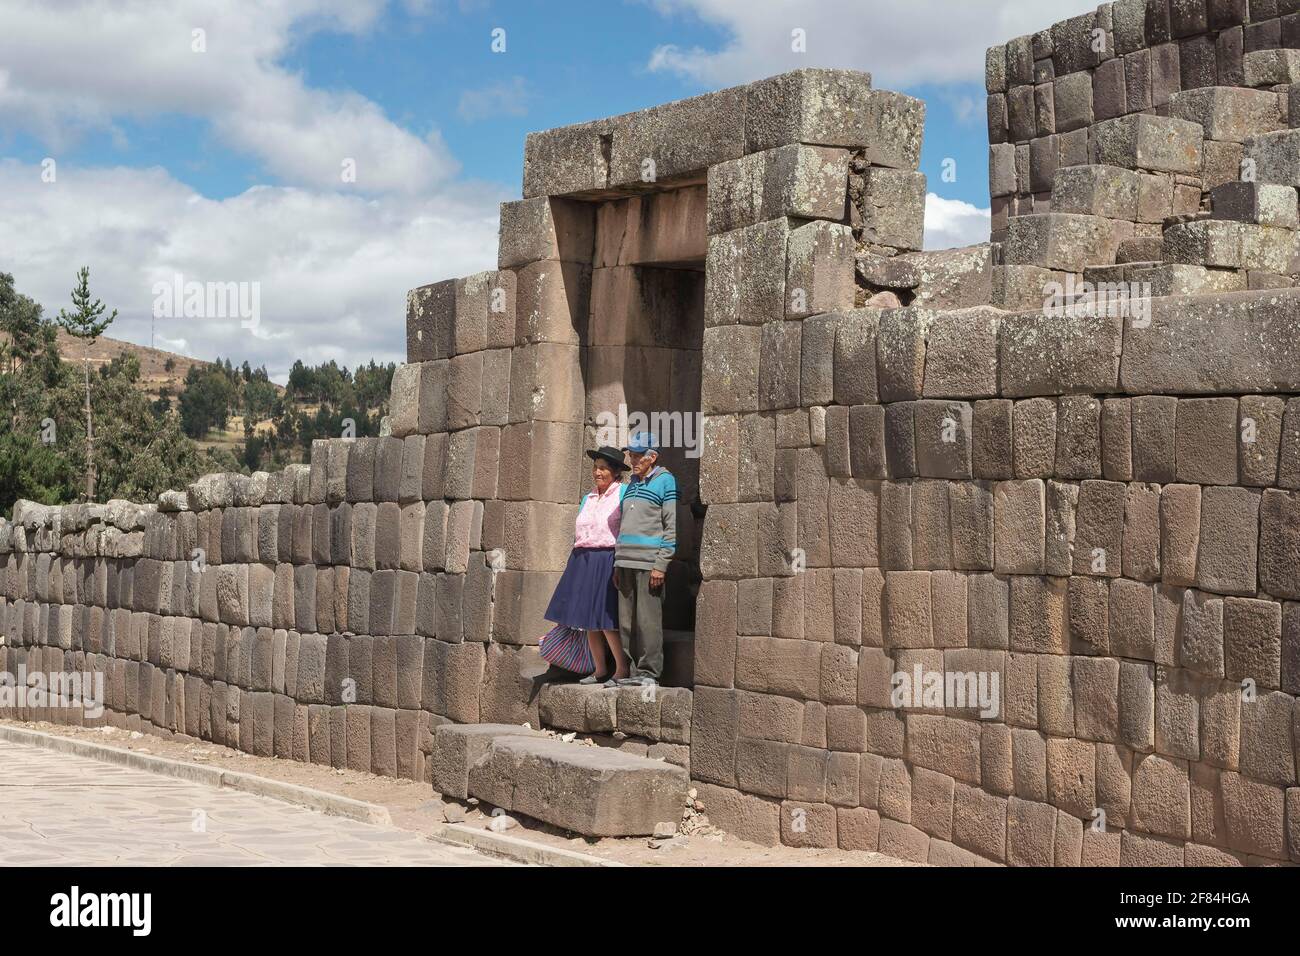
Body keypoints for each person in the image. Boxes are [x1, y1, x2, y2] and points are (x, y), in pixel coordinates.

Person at [542, 446, 632, 685]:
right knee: (586, 619)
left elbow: (625, 530)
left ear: (614, 472)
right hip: (582, 558)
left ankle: (621, 668)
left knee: (605, 618)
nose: (597, 472)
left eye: (603, 468)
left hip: (607, 558)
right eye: (595, 467)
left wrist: (620, 564)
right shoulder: (588, 498)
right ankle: (600, 669)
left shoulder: (622, 494)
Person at [612, 432, 676, 687]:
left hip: (649, 563)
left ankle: (649, 674)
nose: (633, 459)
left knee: (648, 621)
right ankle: (631, 672)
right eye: (631, 454)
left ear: (653, 457)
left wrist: (661, 564)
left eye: (638, 455)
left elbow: (671, 527)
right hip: (625, 562)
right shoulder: (631, 485)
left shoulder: (665, 481)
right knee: (626, 623)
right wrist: (617, 562)